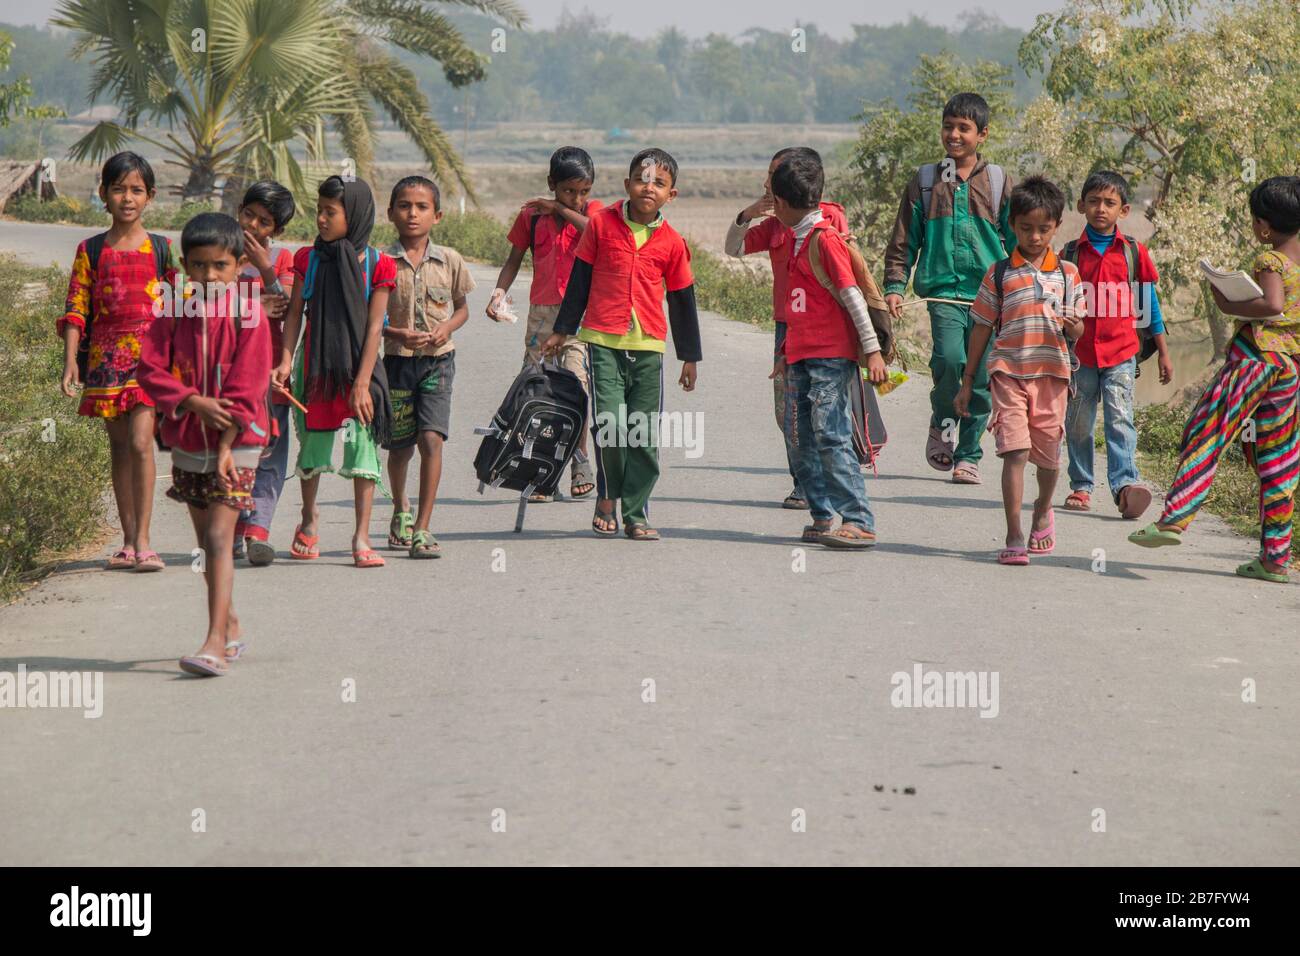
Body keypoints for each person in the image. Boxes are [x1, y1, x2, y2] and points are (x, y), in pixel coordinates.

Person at [1129, 176, 1300, 583]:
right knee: (1279, 460)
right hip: (1290, 367)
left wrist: (1227, 301)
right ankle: (1275, 558)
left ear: (1264, 226)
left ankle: (1175, 519)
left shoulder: (1271, 260)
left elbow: (1272, 304)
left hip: (1255, 359)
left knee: (1206, 430)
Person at [542, 147, 702, 541]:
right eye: (642, 180)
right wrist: (562, 329)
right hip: (602, 340)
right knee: (612, 425)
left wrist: (689, 357)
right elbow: (580, 280)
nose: (649, 187)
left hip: (648, 345)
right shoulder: (600, 225)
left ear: (671, 194)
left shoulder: (673, 242)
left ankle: (636, 511)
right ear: (628, 184)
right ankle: (608, 496)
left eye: (659, 183)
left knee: (643, 432)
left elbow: (682, 300)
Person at [136, 212, 271, 676]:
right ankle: (230, 622)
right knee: (203, 546)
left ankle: (213, 642)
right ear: (184, 265)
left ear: (238, 266)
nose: (209, 276)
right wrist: (190, 401)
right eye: (198, 266)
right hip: (189, 442)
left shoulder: (248, 312)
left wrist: (230, 438)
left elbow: (251, 383)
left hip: (241, 441)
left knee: (219, 537)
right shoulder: (172, 309)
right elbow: (149, 369)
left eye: (220, 266)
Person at [884, 92, 1016, 485]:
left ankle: (969, 454)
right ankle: (942, 425)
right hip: (943, 294)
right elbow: (904, 240)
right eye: (948, 126)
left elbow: (1021, 240)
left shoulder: (997, 182)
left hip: (990, 296)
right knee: (950, 361)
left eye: (964, 128)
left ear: (983, 134)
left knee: (980, 376)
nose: (954, 135)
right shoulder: (925, 181)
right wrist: (894, 284)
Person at [58, 151, 179, 572]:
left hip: (150, 363)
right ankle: (127, 542)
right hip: (106, 362)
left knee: (143, 443)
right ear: (103, 195)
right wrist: (71, 360)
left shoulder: (163, 250)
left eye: (136, 190)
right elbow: (77, 308)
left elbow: (180, 307)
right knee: (120, 448)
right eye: (119, 189)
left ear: (150, 197)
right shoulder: (90, 250)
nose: (127, 198)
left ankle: (145, 541)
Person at [956, 176, 1085, 565]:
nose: (1034, 236)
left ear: (1057, 227)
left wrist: (1070, 323)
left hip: (1053, 375)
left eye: (1043, 229)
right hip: (1008, 372)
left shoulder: (1068, 274)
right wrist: (967, 382)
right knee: (1016, 450)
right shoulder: (999, 274)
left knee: (1047, 460)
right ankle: (1013, 534)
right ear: (1012, 225)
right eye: (1026, 228)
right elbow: (981, 326)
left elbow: (1080, 328)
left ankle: (1042, 509)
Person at [271, 175, 396, 568]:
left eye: (331, 212)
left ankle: (361, 535)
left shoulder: (379, 265)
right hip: (317, 366)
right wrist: (286, 360)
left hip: (362, 367)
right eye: (319, 210)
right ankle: (309, 519)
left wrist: (362, 383)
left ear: (354, 214)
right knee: (314, 443)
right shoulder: (309, 259)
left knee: (362, 447)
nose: (321, 219)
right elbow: (294, 314)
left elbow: (375, 327)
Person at [770, 152, 887, 548]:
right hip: (800, 355)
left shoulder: (825, 240)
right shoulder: (797, 238)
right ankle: (822, 516)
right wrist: (786, 351)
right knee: (800, 435)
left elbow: (852, 297)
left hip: (831, 358)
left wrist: (871, 351)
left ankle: (858, 519)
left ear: (781, 204)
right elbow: (798, 304)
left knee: (832, 435)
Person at [725, 146, 849, 510]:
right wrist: (746, 214)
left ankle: (830, 483)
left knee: (826, 410)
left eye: (773, 175)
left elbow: (847, 278)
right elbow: (734, 249)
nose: (766, 182)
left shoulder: (830, 219)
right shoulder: (774, 225)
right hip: (788, 329)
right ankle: (804, 482)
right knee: (790, 411)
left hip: (828, 332)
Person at [487, 146, 601, 501]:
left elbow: (597, 233)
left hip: (581, 316)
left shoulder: (595, 215)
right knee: (539, 389)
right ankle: (541, 469)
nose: (578, 198)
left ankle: (579, 457)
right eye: (569, 191)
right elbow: (513, 259)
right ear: (551, 183)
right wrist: (498, 294)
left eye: (584, 192)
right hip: (541, 314)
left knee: (576, 387)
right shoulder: (532, 217)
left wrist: (563, 209)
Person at [1062, 170, 1173, 519]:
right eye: (1093, 201)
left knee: (1120, 417)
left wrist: (1164, 352)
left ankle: (1125, 485)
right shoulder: (1068, 255)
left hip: (1122, 352)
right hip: (1080, 356)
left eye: (1109, 203)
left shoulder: (1133, 253)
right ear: (1081, 205)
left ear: (1123, 210)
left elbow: (1149, 305)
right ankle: (1081, 485)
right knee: (1079, 421)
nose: (1100, 209)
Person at [381, 175, 474, 558]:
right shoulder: (380, 262)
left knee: (431, 439)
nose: (412, 214)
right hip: (396, 363)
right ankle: (401, 509)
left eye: (421, 207)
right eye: (404, 206)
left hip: (438, 362)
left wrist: (445, 328)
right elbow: (369, 320)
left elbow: (462, 308)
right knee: (401, 446)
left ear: (437, 215)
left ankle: (423, 526)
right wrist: (396, 333)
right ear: (391, 213)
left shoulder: (449, 260)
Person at [230, 179, 297, 565]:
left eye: (264, 222)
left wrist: (263, 268)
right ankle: (237, 523)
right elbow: (198, 301)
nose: (253, 226)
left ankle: (259, 528)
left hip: (271, 372)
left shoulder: (283, 260)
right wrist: (252, 301)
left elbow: (287, 307)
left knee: (270, 453)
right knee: (237, 451)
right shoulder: (218, 254)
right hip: (228, 374)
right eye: (249, 215)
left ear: (276, 230)